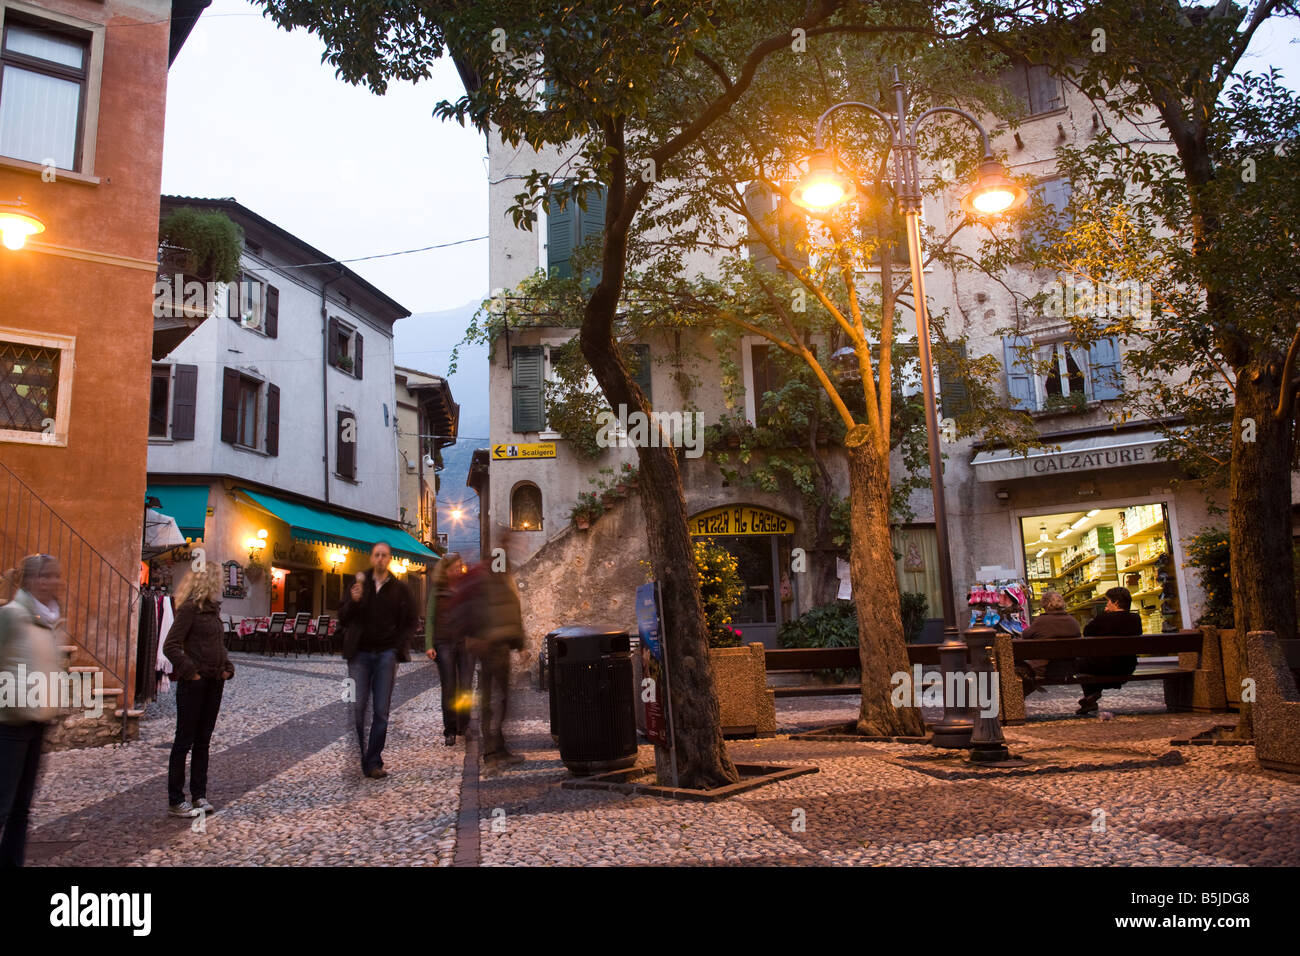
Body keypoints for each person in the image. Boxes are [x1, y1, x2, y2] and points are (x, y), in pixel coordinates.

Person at [0, 555, 68, 866]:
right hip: (10, 723)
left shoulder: (49, 620)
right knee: (2, 806)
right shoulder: (12, 616)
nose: (54, 582)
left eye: (56, 576)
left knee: (22, 809)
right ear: (31, 580)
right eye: (47, 576)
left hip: (39, 722)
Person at [339, 541, 417, 779]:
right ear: (372, 558)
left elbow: (411, 621)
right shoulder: (358, 584)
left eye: (385, 555)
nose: (381, 559)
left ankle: (373, 761)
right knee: (359, 707)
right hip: (360, 655)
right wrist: (353, 602)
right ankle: (363, 755)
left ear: (389, 558)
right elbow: (342, 618)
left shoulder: (400, 589)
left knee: (381, 710)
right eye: (377, 555)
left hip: (385, 655)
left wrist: (396, 646)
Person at [163, 563, 235, 818]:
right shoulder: (190, 609)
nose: (222, 585)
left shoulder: (213, 611)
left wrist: (227, 666)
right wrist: (190, 671)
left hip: (215, 681)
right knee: (184, 740)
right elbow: (170, 646)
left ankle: (199, 795)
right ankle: (175, 798)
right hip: (194, 683)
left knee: (203, 740)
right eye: (218, 579)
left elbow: (218, 644)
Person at [424, 553, 472, 746]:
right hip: (443, 641)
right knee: (449, 687)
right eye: (454, 568)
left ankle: (464, 725)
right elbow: (430, 617)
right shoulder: (437, 590)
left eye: (459, 567)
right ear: (446, 570)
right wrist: (428, 644)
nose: (458, 571)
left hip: (465, 642)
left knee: (466, 686)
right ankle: (450, 729)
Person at [1076, 586, 1143, 716]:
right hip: (1127, 666)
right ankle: (1092, 696)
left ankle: (1091, 694)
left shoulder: (1103, 619)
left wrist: (1106, 616)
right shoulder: (1136, 619)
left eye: (1108, 601)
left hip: (1101, 667)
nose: (1107, 604)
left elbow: (1087, 632)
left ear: (1116, 602)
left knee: (1079, 663)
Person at [1016, 590, 1082, 696]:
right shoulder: (1072, 621)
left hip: (1044, 669)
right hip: (1070, 668)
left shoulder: (1041, 622)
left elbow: (1025, 635)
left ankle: (1016, 702)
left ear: (1045, 605)